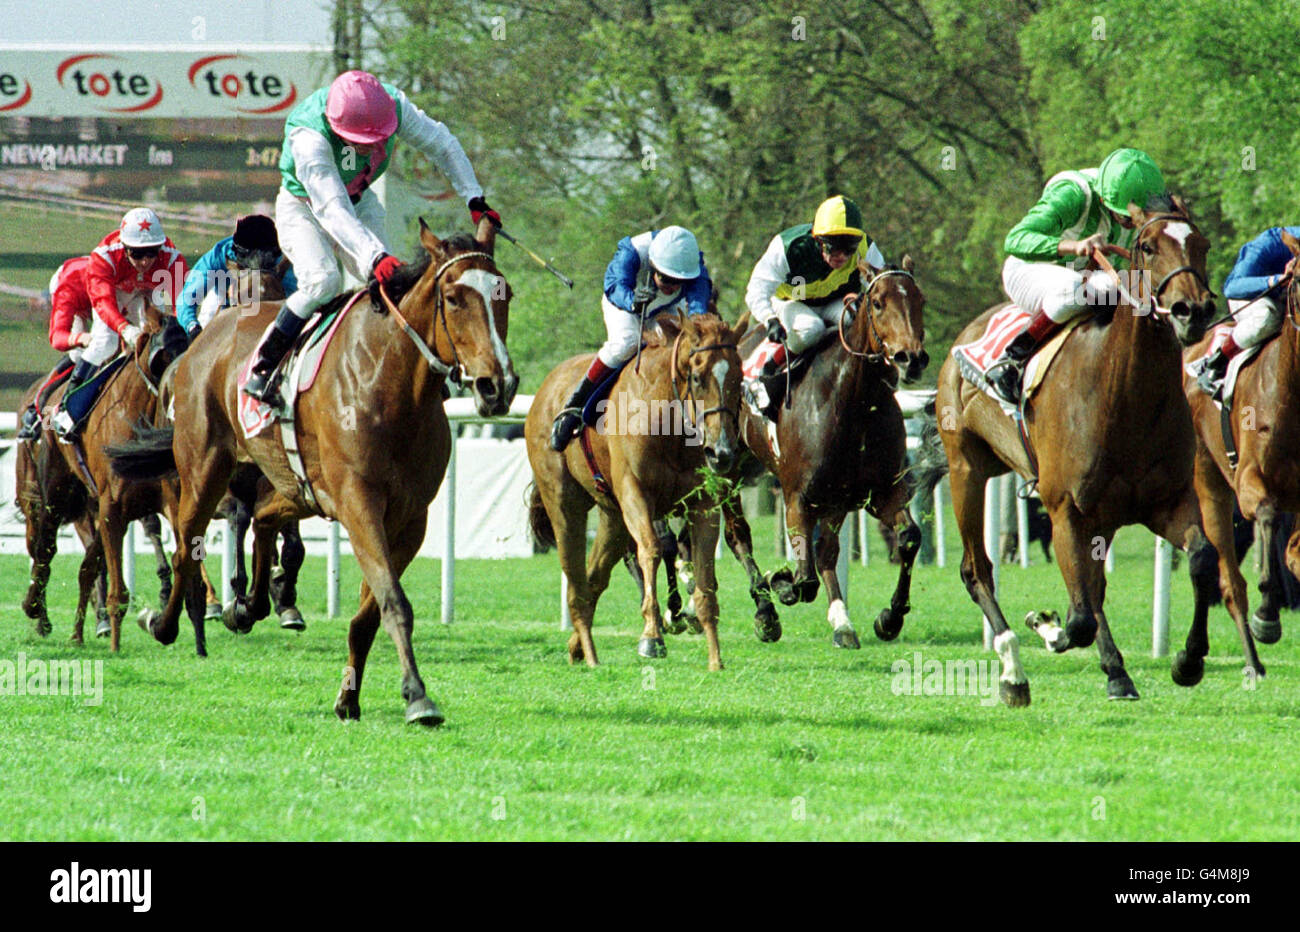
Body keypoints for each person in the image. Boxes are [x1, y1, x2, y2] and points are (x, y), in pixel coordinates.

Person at [244, 69, 500, 402]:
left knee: (389, 290)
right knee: (323, 282)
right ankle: (264, 367)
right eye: (365, 143)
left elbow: (442, 144)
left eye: (381, 138)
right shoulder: (309, 137)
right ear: (337, 128)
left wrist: (474, 197)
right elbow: (332, 208)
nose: (375, 148)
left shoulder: (392, 106)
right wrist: (373, 256)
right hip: (305, 207)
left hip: (359, 200)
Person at [986, 147, 1167, 405]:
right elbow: (1015, 240)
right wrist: (1074, 246)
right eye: (1126, 218)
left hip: (1088, 277)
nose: (1133, 224)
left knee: (1141, 298)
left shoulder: (1150, 203)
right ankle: (1013, 359)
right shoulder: (1073, 194)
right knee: (1075, 287)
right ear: (1105, 200)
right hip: (1031, 270)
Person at [549, 225, 712, 451]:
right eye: (665, 279)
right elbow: (615, 286)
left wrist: (697, 326)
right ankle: (573, 407)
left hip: (665, 308)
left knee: (690, 347)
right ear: (653, 264)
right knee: (627, 342)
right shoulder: (634, 250)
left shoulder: (693, 267)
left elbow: (698, 306)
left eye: (678, 282)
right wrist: (633, 302)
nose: (672, 286)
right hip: (623, 303)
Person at [739, 195, 886, 417]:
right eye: (834, 248)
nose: (842, 257)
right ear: (818, 240)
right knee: (811, 328)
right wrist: (770, 319)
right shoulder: (788, 246)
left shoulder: (866, 246)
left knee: (856, 322)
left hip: (832, 301)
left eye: (849, 249)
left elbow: (882, 286)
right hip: (791, 301)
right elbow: (756, 289)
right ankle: (768, 372)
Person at [50, 207, 187, 440]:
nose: (145, 261)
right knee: (105, 342)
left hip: (135, 289)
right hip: (109, 293)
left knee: (157, 337)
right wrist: (122, 329)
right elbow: (103, 303)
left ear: (161, 247)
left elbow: (181, 303)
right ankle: (68, 407)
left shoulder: (171, 257)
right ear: (124, 248)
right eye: (137, 253)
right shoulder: (102, 258)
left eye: (151, 252)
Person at [1196, 226, 1300, 398]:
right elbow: (1232, 288)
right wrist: (1276, 280)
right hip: (1249, 298)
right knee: (1268, 316)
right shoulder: (1269, 243)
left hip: (1287, 304)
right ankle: (1215, 362)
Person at [177, 214, 298, 341]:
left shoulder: (288, 262)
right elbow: (187, 298)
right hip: (224, 300)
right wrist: (193, 327)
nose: (236, 258)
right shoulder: (220, 254)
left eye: (242, 255)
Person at [15, 256, 95, 439]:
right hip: (71, 290)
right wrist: (81, 337)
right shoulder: (67, 290)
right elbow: (58, 338)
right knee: (80, 354)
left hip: (102, 296)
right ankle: (36, 410)